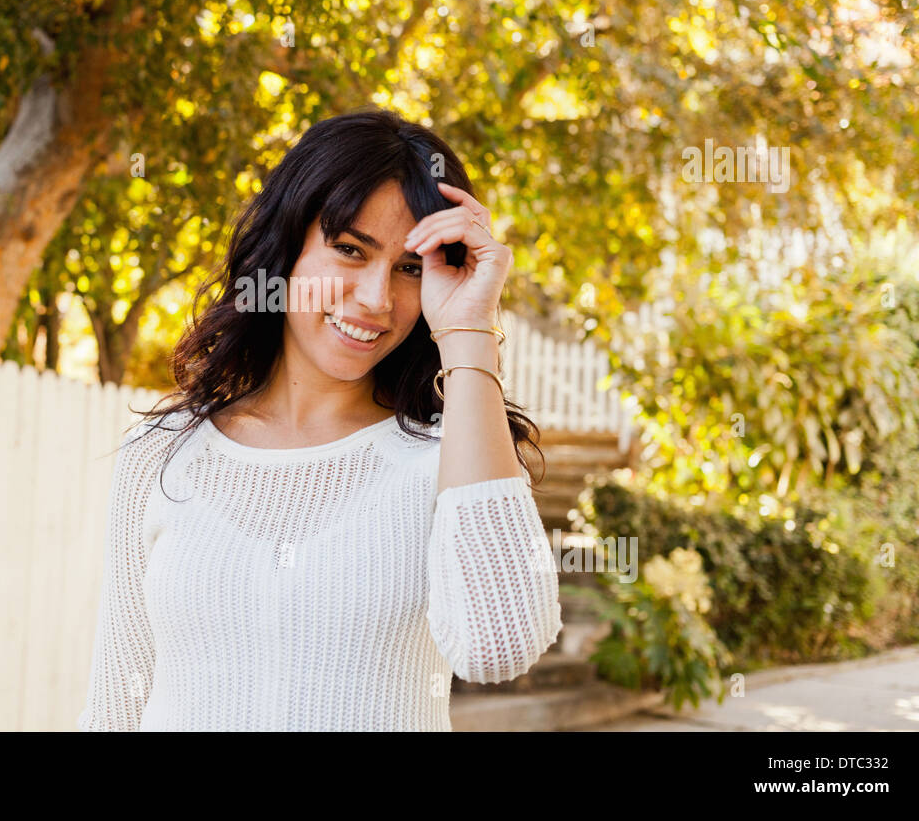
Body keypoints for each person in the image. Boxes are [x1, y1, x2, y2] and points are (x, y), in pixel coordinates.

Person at [76, 106, 561, 731]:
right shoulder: (162, 453)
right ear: (287, 248)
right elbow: (117, 703)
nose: (376, 299)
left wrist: (468, 332)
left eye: (410, 268)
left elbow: (501, 645)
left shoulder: (450, 457)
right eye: (349, 250)